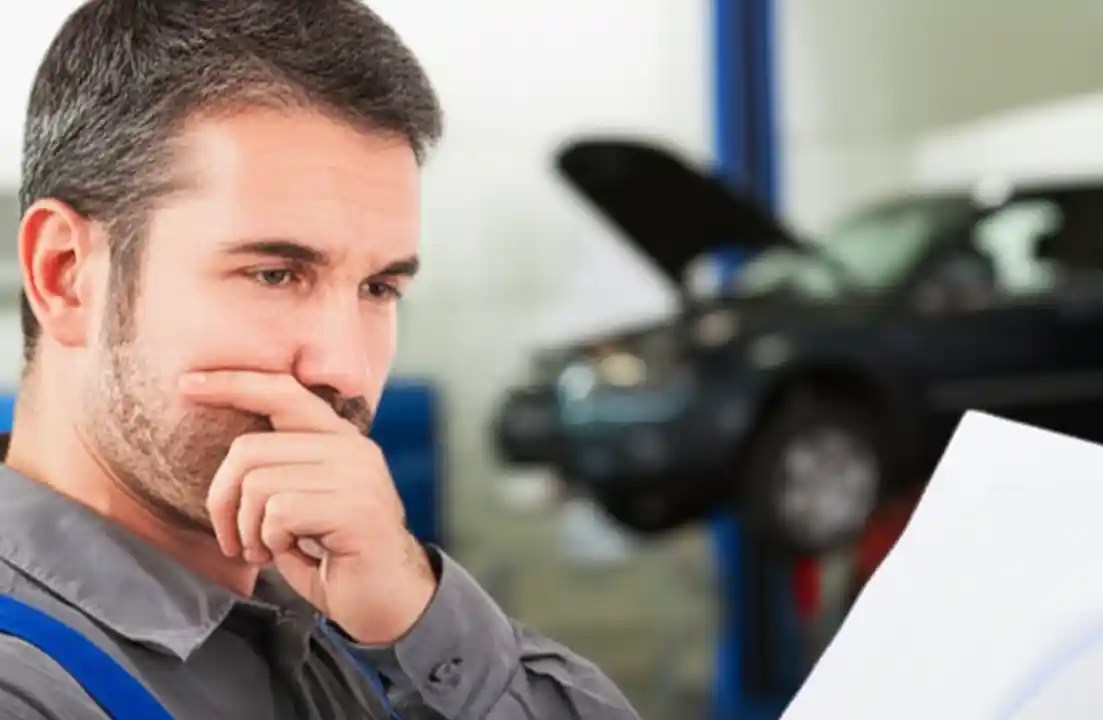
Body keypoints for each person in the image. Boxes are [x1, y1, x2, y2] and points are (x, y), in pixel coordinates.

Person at [0, 1, 639, 718]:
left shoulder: (355, 626)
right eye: (274, 275)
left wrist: (418, 616)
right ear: (66, 275)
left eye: (378, 288)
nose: (344, 368)